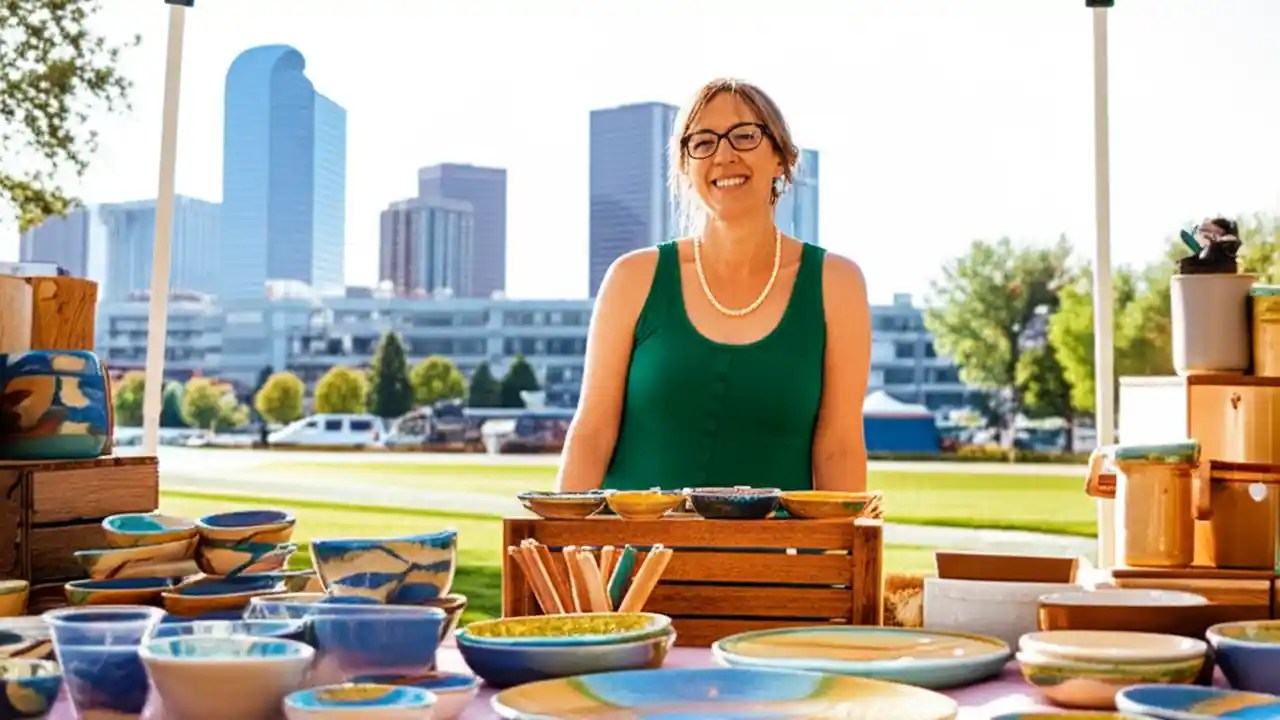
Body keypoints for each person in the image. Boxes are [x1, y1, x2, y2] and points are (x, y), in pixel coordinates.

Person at [556, 78, 871, 493]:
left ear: (781, 158)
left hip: (777, 557)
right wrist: (561, 547)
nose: (724, 154)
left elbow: (839, 449)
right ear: (685, 167)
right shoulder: (632, 279)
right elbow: (591, 435)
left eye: (744, 136)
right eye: (702, 142)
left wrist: (846, 556)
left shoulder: (837, 284)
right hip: (636, 555)